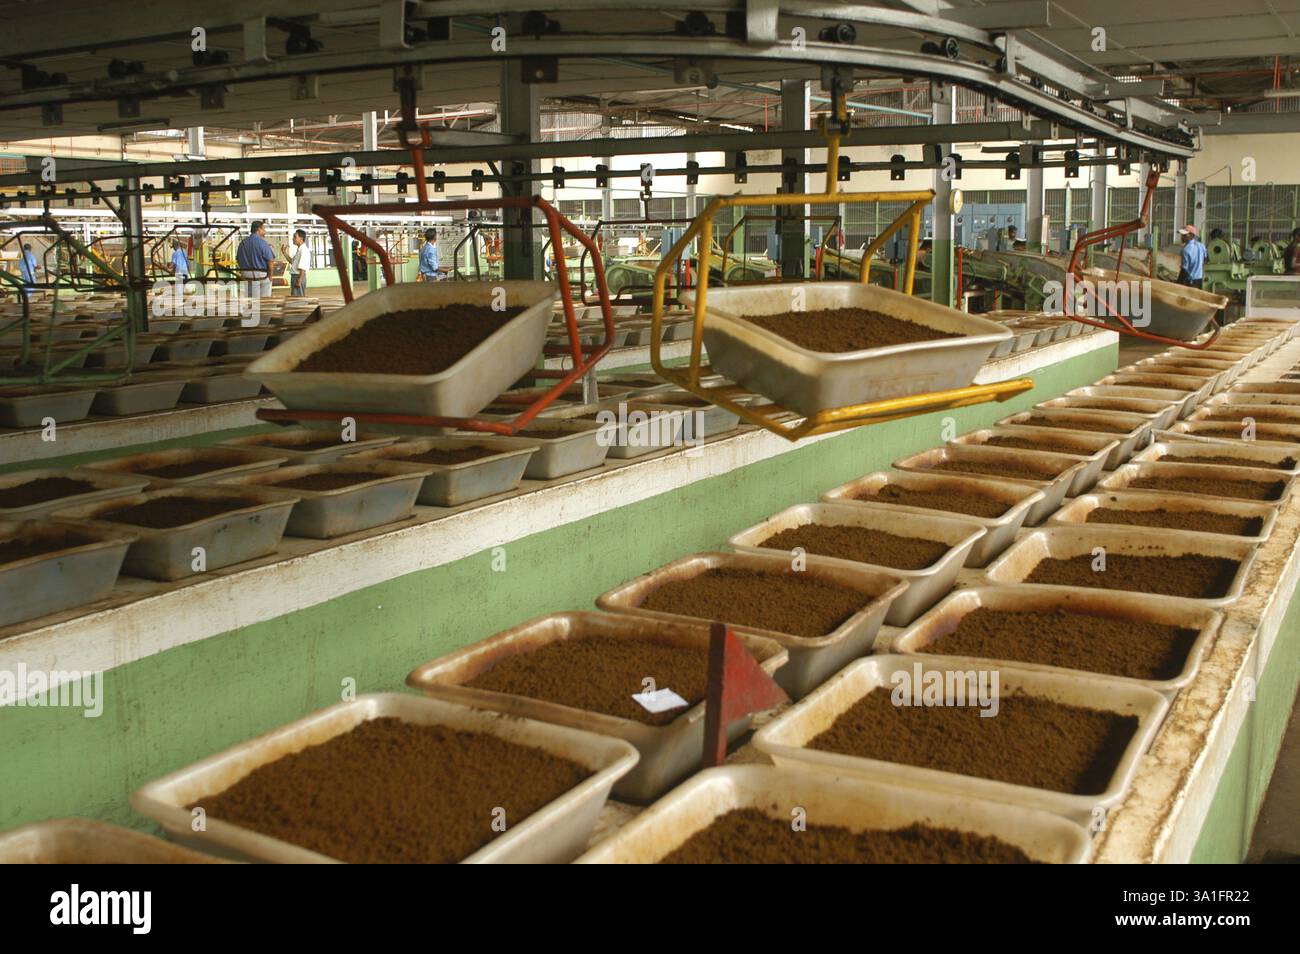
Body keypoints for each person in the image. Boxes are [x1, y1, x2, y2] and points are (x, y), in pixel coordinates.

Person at [234, 220, 276, 297]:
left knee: (250, 300)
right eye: (263, 228)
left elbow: (238, 260)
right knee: (264, 300)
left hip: (246, 275)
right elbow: (270, 261)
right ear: (258, 229)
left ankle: (251, 308)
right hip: (261, 275)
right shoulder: (263, 243)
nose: (264, 231)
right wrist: (270, 275)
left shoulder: (242, 243)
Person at [281, 229, 310, 296]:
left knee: (298, 300)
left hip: (298, 277)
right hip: (296, 277)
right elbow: (292, 262)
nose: (292, 238)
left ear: (301, 238)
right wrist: (284, 253)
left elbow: (303, 268)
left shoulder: (304, 250)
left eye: (295, 236)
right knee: (295, 298)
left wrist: (299, 280)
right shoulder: (299, 250)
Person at [1177, 224, 1207, 289]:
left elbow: (1184, 269)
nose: (1182, 237)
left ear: (1192, 236)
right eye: (1182, 235)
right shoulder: (1202, 246)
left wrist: (1178, 282)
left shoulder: (1185, 250)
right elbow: (1206, 259)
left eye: (1185, 235)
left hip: (1189, 281)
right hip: (1199, 279)